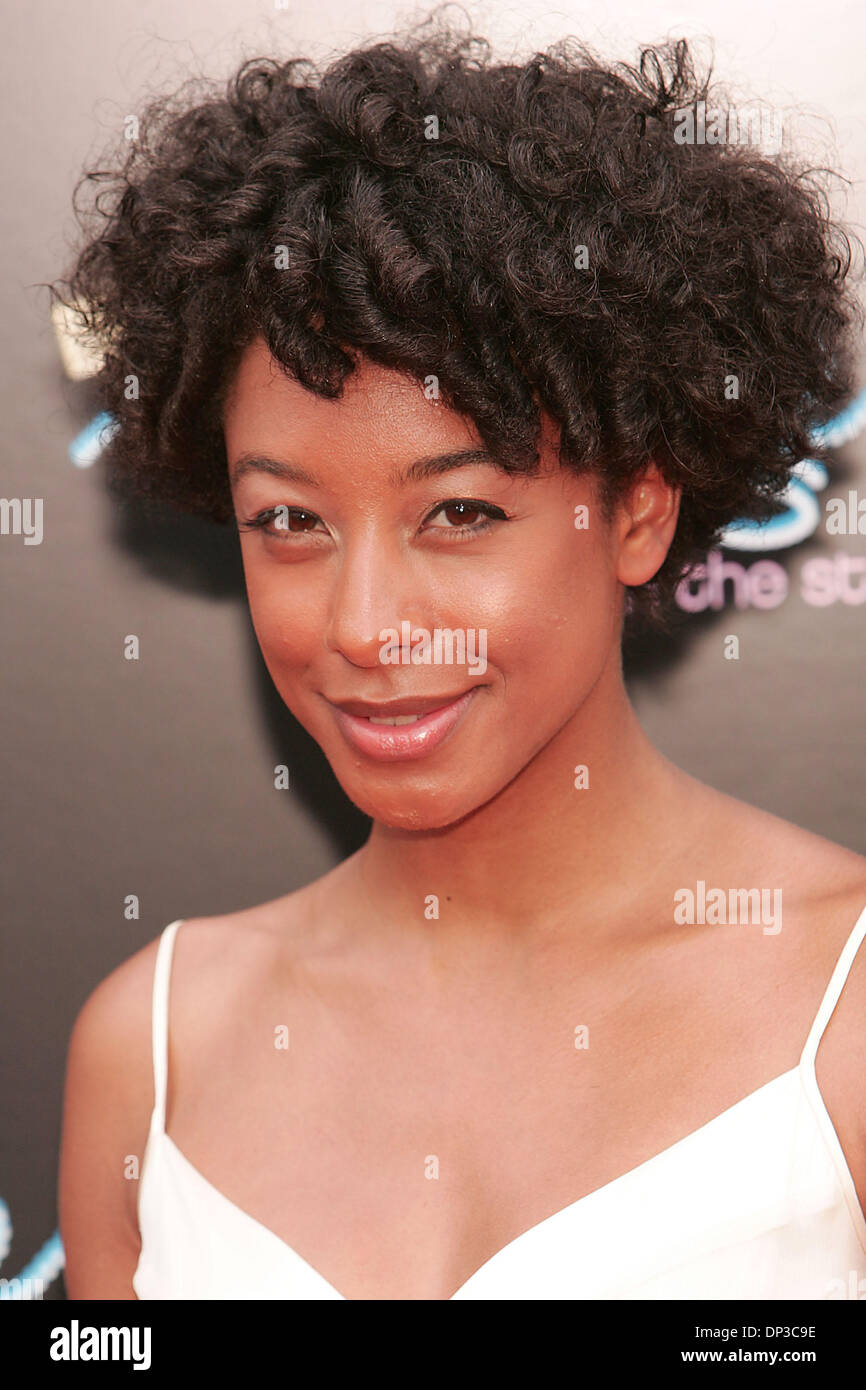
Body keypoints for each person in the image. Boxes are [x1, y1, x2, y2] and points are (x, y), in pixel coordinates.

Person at [56, 18, 866, 1299]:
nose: (366, 625)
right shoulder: (152, 1046)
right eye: (290, 521)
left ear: (640, 512)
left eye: (461, 512)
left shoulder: (846, 1005)